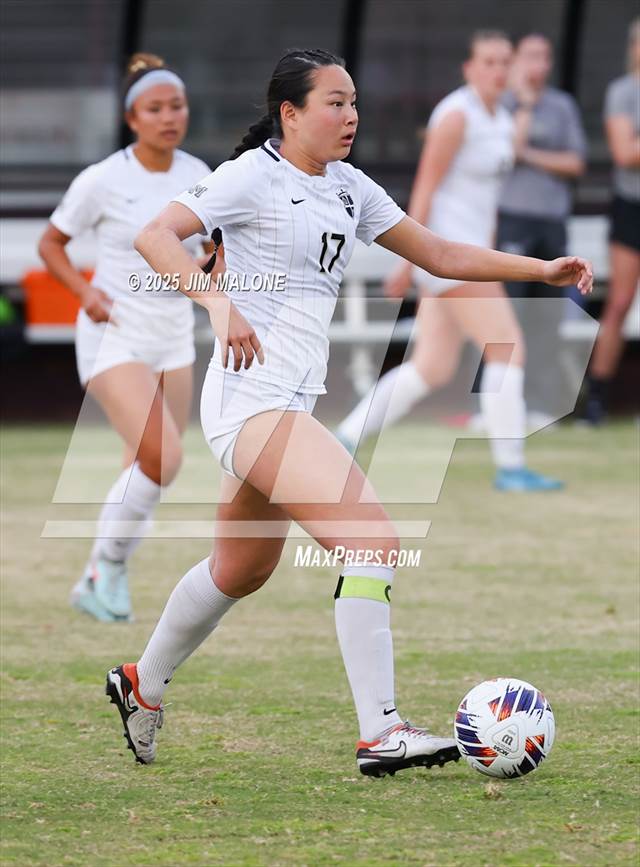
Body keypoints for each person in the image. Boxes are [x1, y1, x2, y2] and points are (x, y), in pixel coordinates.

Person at [104, 48, 592, 776]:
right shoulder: (249, 177)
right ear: (290, 113)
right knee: (372, 541)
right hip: (252, 398)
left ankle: (140, 682)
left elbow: (437, 252)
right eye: (334, 102)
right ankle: (381, 730)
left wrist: (539, 271)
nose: (351, 115)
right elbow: (154, 236)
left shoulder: (347, 187)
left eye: (354, 101)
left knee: (239, 570)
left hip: (284, 400)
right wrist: (215, 300)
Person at [336, 31, 565, 491]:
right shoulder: (455, 115)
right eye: (489, 62)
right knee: (507, 346)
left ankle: (343, 439)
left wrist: (492, 253)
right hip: (446, 254)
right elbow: (425, 188)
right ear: (469, 67)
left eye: (505, 62)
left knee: (432, 367)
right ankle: (511, 467)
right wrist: (408, 261)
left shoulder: (501, 117)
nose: (498, 71)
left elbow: (487, 198)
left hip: (468, 255)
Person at [38, 53, 215, 622]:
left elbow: (211, 250)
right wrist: (84, 293)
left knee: (144, 468)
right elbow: (50, 245)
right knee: (165, 457)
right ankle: (108, 568)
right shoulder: (103, 179)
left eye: (177, 106)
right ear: (131, 118)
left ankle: (96, 577)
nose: (169, 117)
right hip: (114, 337)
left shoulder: (200, 175)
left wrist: (216, 263)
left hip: (174, 338)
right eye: (155, 108)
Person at [496, 33, 587, 428]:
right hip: (513, 217)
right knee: (507, 312)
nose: (540, 64)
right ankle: (496, 406)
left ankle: (539, 405)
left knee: (547, 316)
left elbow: (575, 162)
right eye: (531, 56)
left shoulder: (562, 105)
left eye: (545, 57)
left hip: (552, 220)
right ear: (516, 60)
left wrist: (531, 155)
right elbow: (508, 152)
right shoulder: (501, 103)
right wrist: (525, 106)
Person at [580, 18, 640, 424]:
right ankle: (597, 398)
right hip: (631, 205)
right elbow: (625, 154)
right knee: (620, 301)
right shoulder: (623, 92)